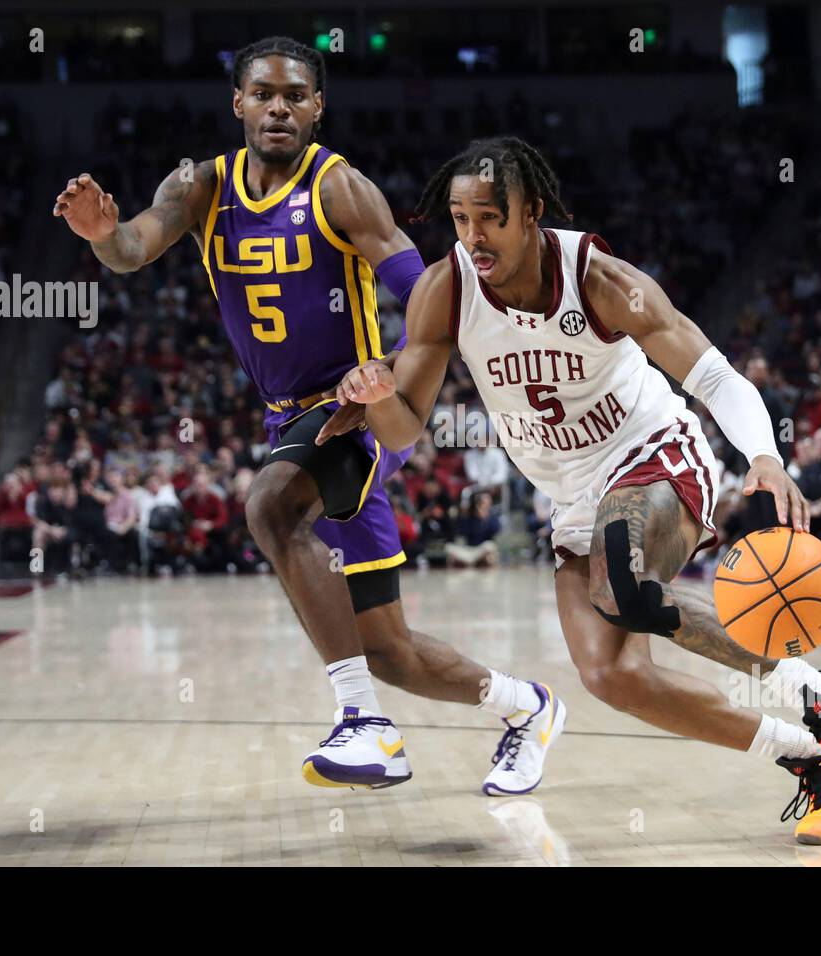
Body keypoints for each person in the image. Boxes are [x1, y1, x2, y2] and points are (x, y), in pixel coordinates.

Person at [321, 137, 821, 844]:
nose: (473, 237)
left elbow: (710, 373)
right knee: (612, 676)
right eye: (460, 219)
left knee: (621, 579)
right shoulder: (446, 290)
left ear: (530, 213)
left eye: (489, 218)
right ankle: (812, 757)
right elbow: (403, 429)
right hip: (571, 497)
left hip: (653, 453)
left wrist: (766, 456)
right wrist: (378, 395)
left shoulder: (600, 280)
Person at [54, 38, 562, 795]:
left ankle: (364, 725)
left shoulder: (341, 189)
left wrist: (388, 375)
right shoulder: (200, 185)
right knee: (387, 649)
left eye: (296, 95)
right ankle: (529, 708)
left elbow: (427, 295)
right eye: (264, 94)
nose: (279, 108)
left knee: (269, 504)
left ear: (318, 107)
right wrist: (104, 236)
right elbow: (134, 247)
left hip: (354, 415)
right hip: (288, 423)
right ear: (239, 104)